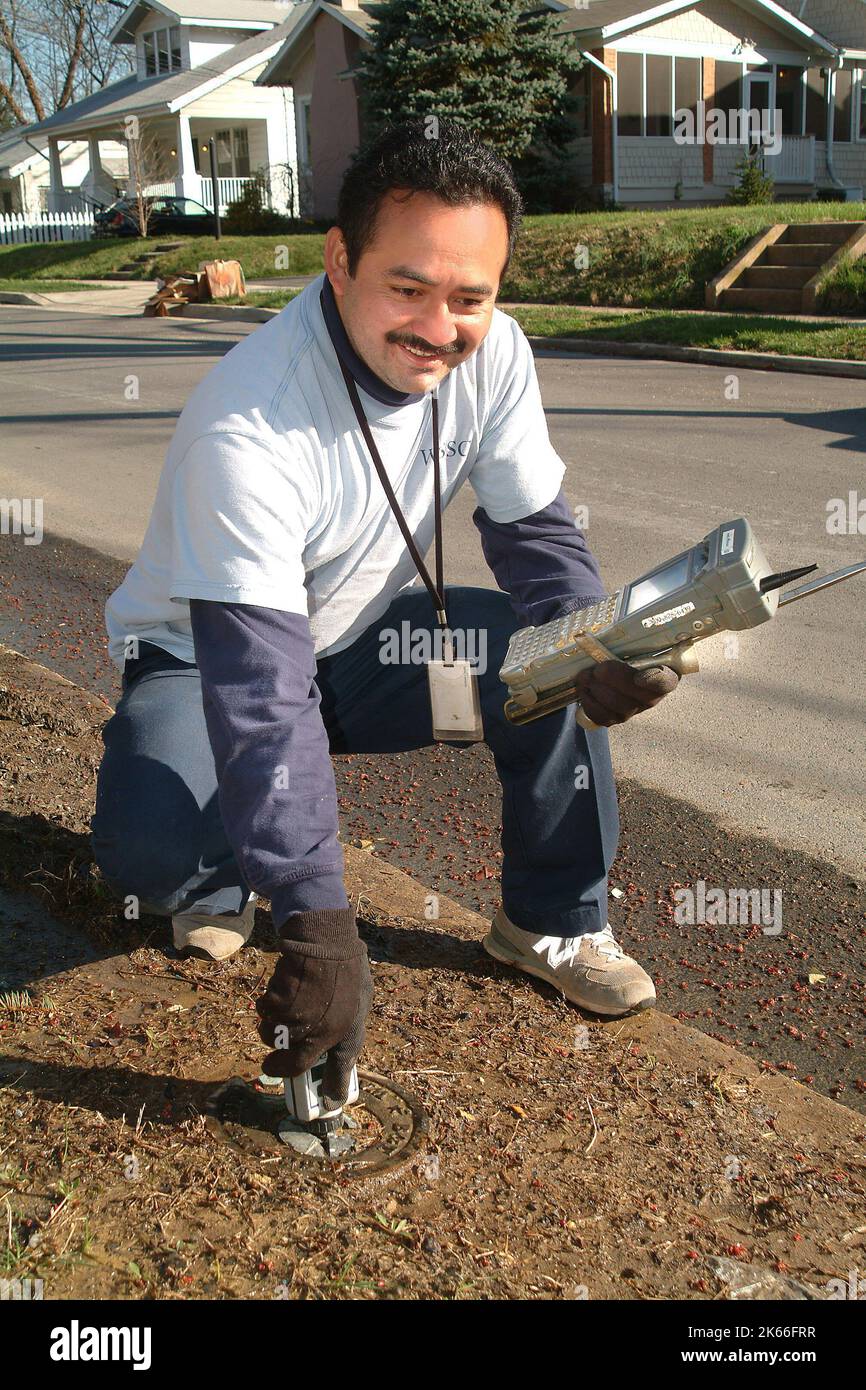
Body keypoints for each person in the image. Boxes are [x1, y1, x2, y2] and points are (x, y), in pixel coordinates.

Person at [91, 119, 679, 1108]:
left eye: (468, 298)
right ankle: (218, 863)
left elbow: (533, 533)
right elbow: (261, 689)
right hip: (208, 662)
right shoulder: (249, 427)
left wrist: (595, 640)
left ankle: (550, 918)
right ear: (338, 259)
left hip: (361, 640)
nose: (436, 327)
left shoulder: (490, 356)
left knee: (545, 663)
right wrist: (321, 928)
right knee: (151, 858)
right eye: (405, 287)